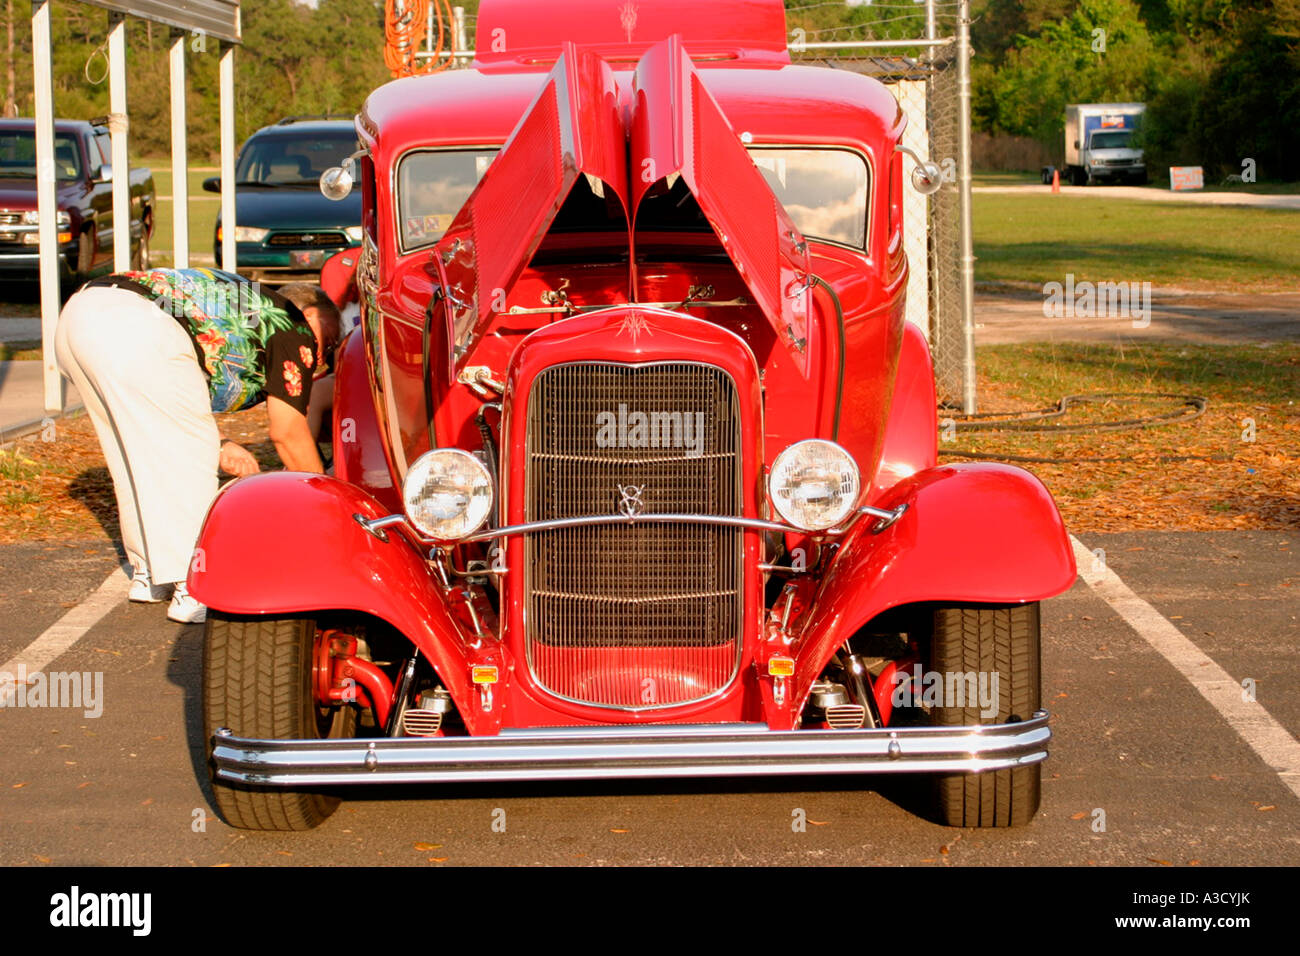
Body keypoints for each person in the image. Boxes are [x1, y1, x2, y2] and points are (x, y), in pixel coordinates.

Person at [55, 269, 340, 624]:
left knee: (131, 450)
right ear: (310, 315)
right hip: (137, 323)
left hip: (81, 314)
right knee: (189, 464)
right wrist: (324, 505)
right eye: (327, 341)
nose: (321, 358)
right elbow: (288, 432)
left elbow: (175, 405)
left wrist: (219, 442)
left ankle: (148, 573)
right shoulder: (290, 322)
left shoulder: (238, 310)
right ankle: (195, 586)